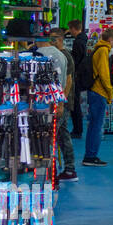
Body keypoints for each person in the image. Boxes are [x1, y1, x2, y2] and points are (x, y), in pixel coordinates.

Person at [36, 29, 77, 181]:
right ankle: (67, 170)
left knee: (52, 139)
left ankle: (55, 175)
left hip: (58, 104)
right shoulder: (62, 55)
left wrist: (60, 103)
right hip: (59, 103)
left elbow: (68, 80)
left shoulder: (61, 56)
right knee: (59, 136)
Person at [82, 27, 113, 166]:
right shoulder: (103, 50)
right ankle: (91, 156)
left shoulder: (98, 49)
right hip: (99, 91)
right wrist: (109, 91)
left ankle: (90, 155)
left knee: (94, 124)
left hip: (95, 90)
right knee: (97, 125)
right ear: (110, 39)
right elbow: (104, 74)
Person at [66, 19, 88, 138]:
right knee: (75, 103)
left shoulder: (78, 42)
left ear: (74, 29)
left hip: (77, 76)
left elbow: (76, 60)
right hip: (81, 75)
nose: (69, 31)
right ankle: (77, 129)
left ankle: (77, 130)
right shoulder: (84, 40)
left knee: (75, 104)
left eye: (70, 29)